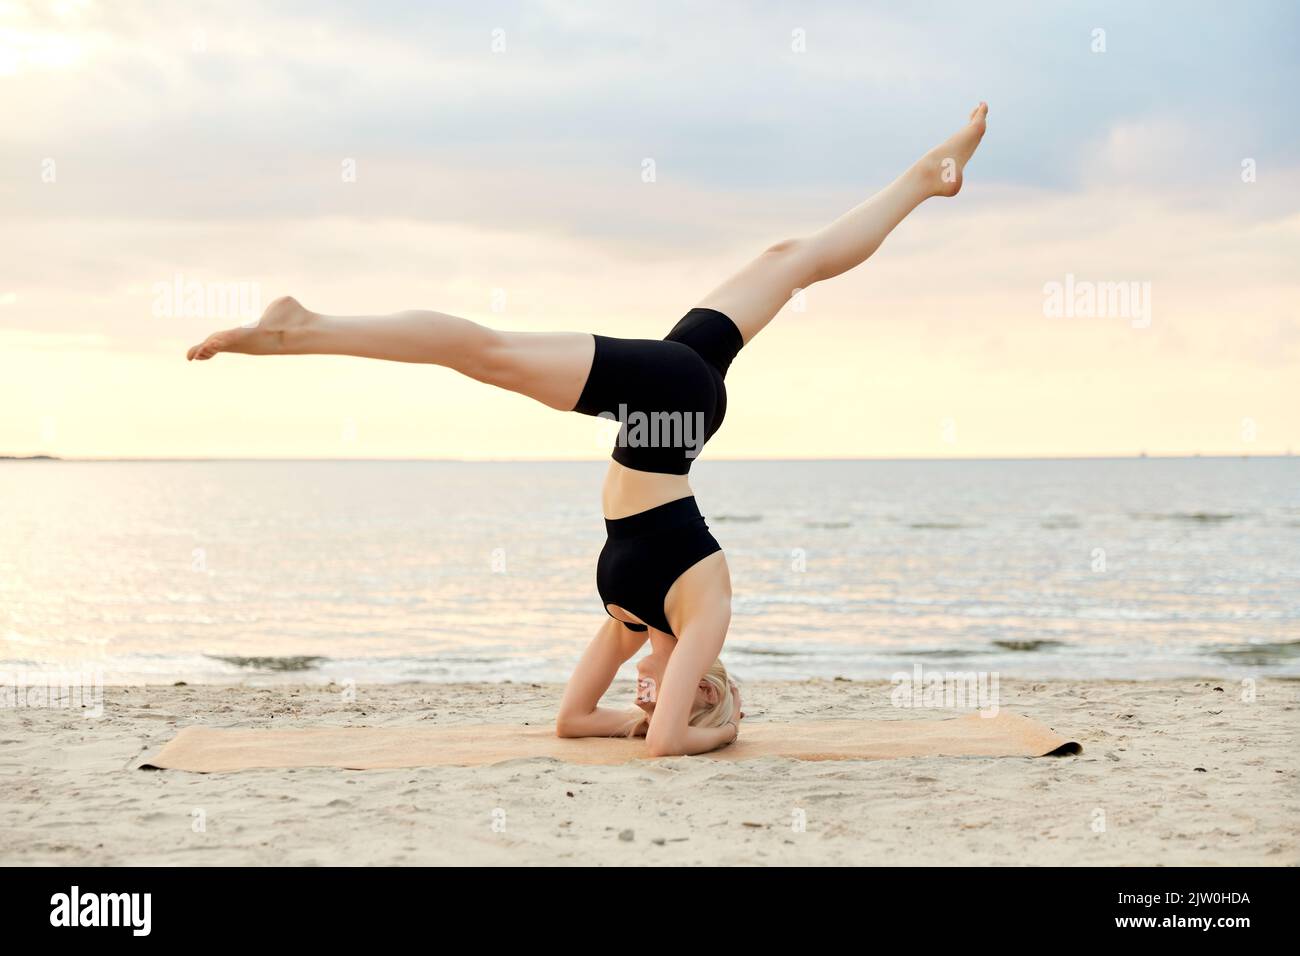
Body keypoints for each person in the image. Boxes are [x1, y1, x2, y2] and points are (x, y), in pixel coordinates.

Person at [187, 104, 989, 756]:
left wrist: (625, 717)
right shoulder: (702, 607)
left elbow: (575, 722)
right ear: (704, 681)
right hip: (669, 409)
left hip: (670, 414)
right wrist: (722, 725)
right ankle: (303, 327)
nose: (644, 691)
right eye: (671, 689)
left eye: (646, 692)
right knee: (488, 352)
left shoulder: (630, 615)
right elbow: (669, 745)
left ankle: (925, 180)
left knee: (786, 260)